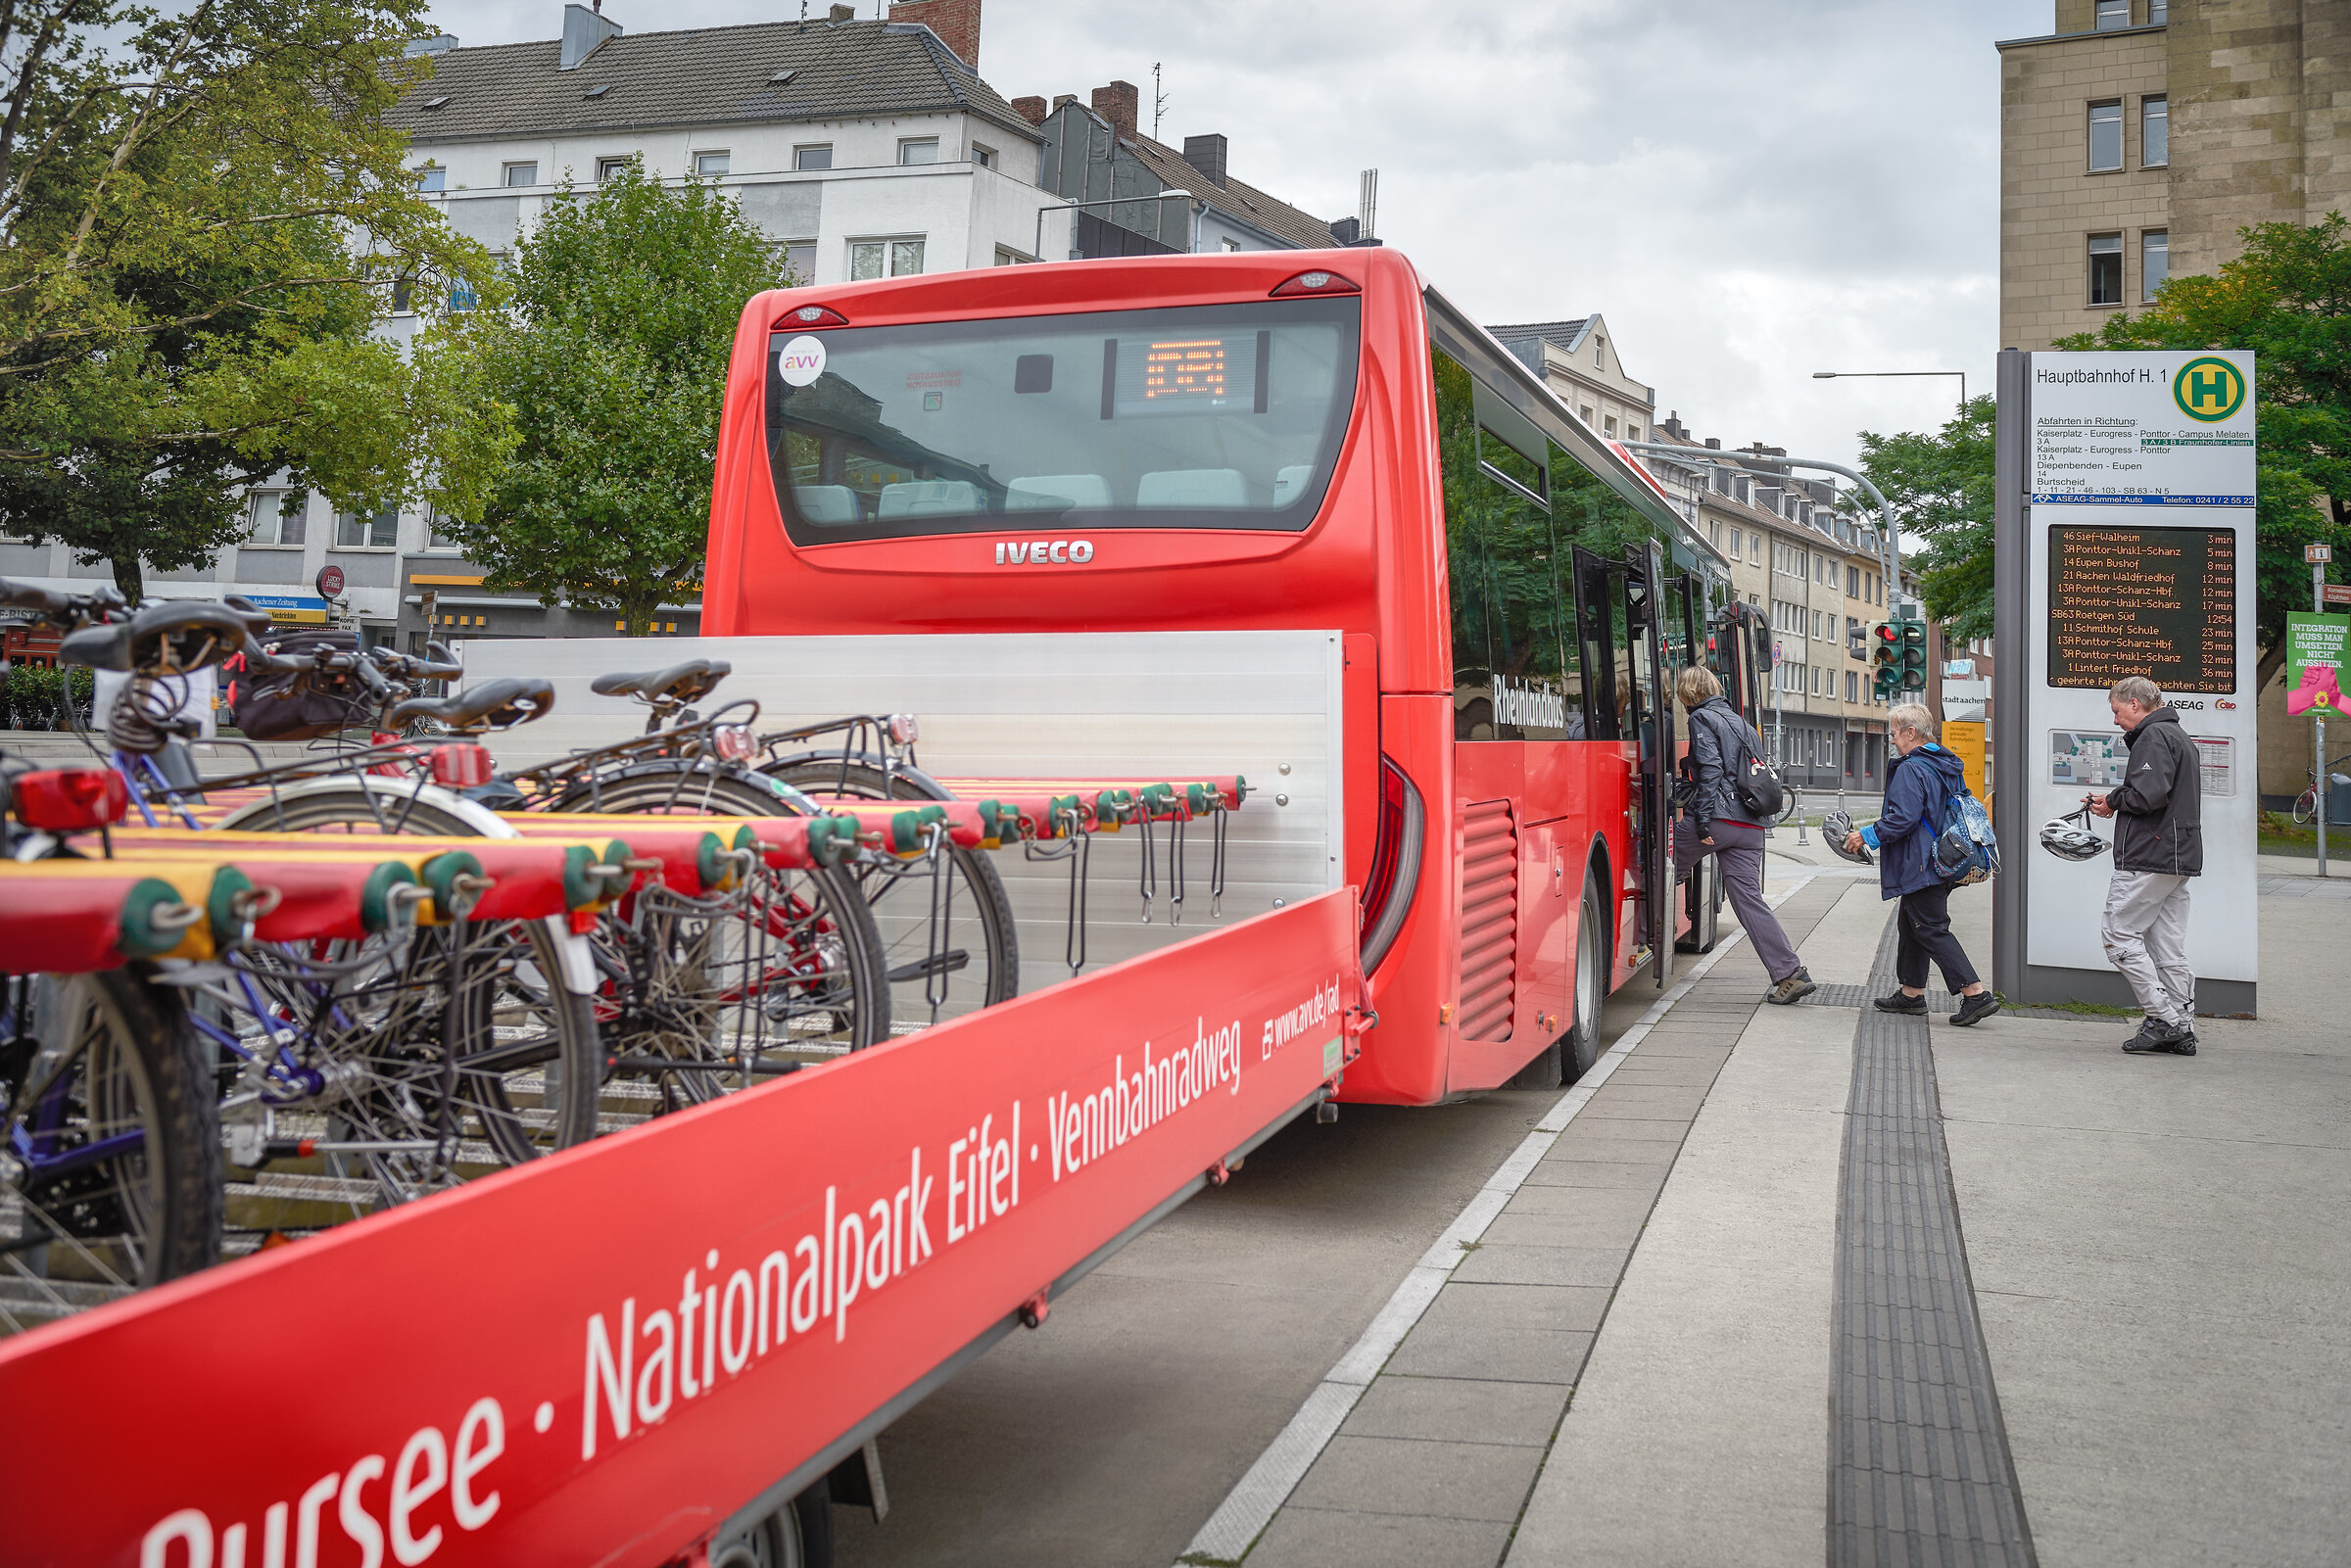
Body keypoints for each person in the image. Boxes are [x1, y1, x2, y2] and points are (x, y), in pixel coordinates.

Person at [1842, 703, 1999, 1025]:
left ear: (1911, 733)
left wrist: (1866, 835)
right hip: (1946, 856)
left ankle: (1975, 994)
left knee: (1929, 928)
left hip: (1922, 861)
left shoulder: (1912, 768)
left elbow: (1904, 818)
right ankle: (1911, 993)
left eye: (1894, 734)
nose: (1892, 740)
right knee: (1911, 924)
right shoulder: (1945, 763)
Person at [1673, 664, 1815, 1004]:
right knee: (1749, 902)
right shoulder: (1743, 723)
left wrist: (1701, 820)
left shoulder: (1701, 718)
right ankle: (1790, 974)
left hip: (1719, 819)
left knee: (1657, 863)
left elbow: (1712, 769)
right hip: (1751, 825)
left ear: (1689, 693)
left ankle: (1641, 938)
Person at [2084, 675, 2202, 1056]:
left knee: (2118, 935)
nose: (2115, 719)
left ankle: (2163, 1019)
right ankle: (2183, 1026)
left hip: (2149, 854)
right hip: (2176, 855)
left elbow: (2149, 795)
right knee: (2167, 946)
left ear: (2134, 704)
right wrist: (2116, 800)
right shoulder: (2179, 735)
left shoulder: (2153, 736)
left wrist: (2113, 800)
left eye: (2117, 711)